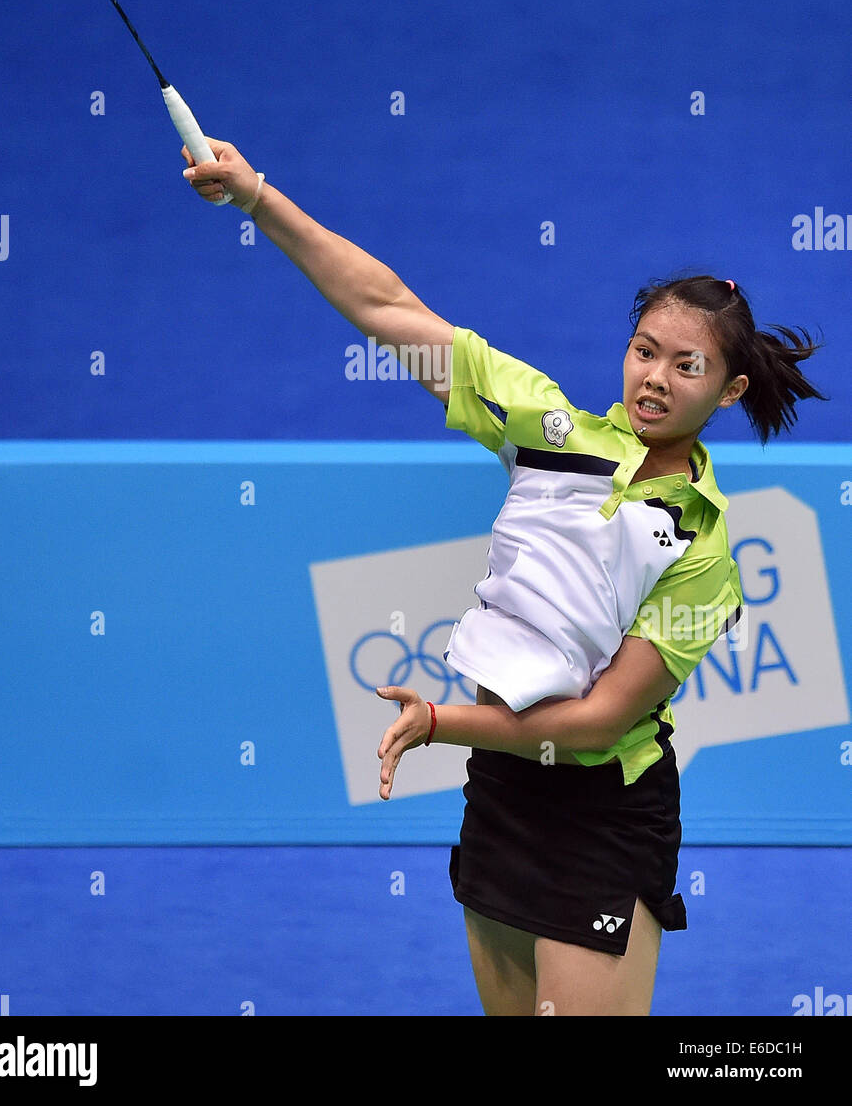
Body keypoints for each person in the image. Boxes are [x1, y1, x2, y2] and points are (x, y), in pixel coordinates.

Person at [182, 139, 827, 1017]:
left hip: (601, 810)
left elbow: (603, 717)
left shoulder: (704, 553)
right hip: (504, 790)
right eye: (645, 351)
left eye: (688, 367)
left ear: (727, 390)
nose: (655, 379)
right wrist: (258, 196)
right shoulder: (549, 432)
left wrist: (442, 723)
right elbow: (389, 307)